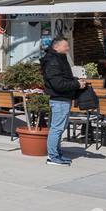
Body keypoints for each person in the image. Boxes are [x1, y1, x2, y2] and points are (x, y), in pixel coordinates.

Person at [40, 35, 85, 166]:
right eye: (65, 46)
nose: (68, 48)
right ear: (56, 47)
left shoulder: (59, 58)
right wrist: (76, 85)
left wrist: (76, 80)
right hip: (59, 99)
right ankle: (53, 157)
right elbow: (58, 83)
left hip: (64, 98)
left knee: (60, 128)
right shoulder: (53, 61)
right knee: (57, 129)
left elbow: (63, 78)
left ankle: (57, 154)